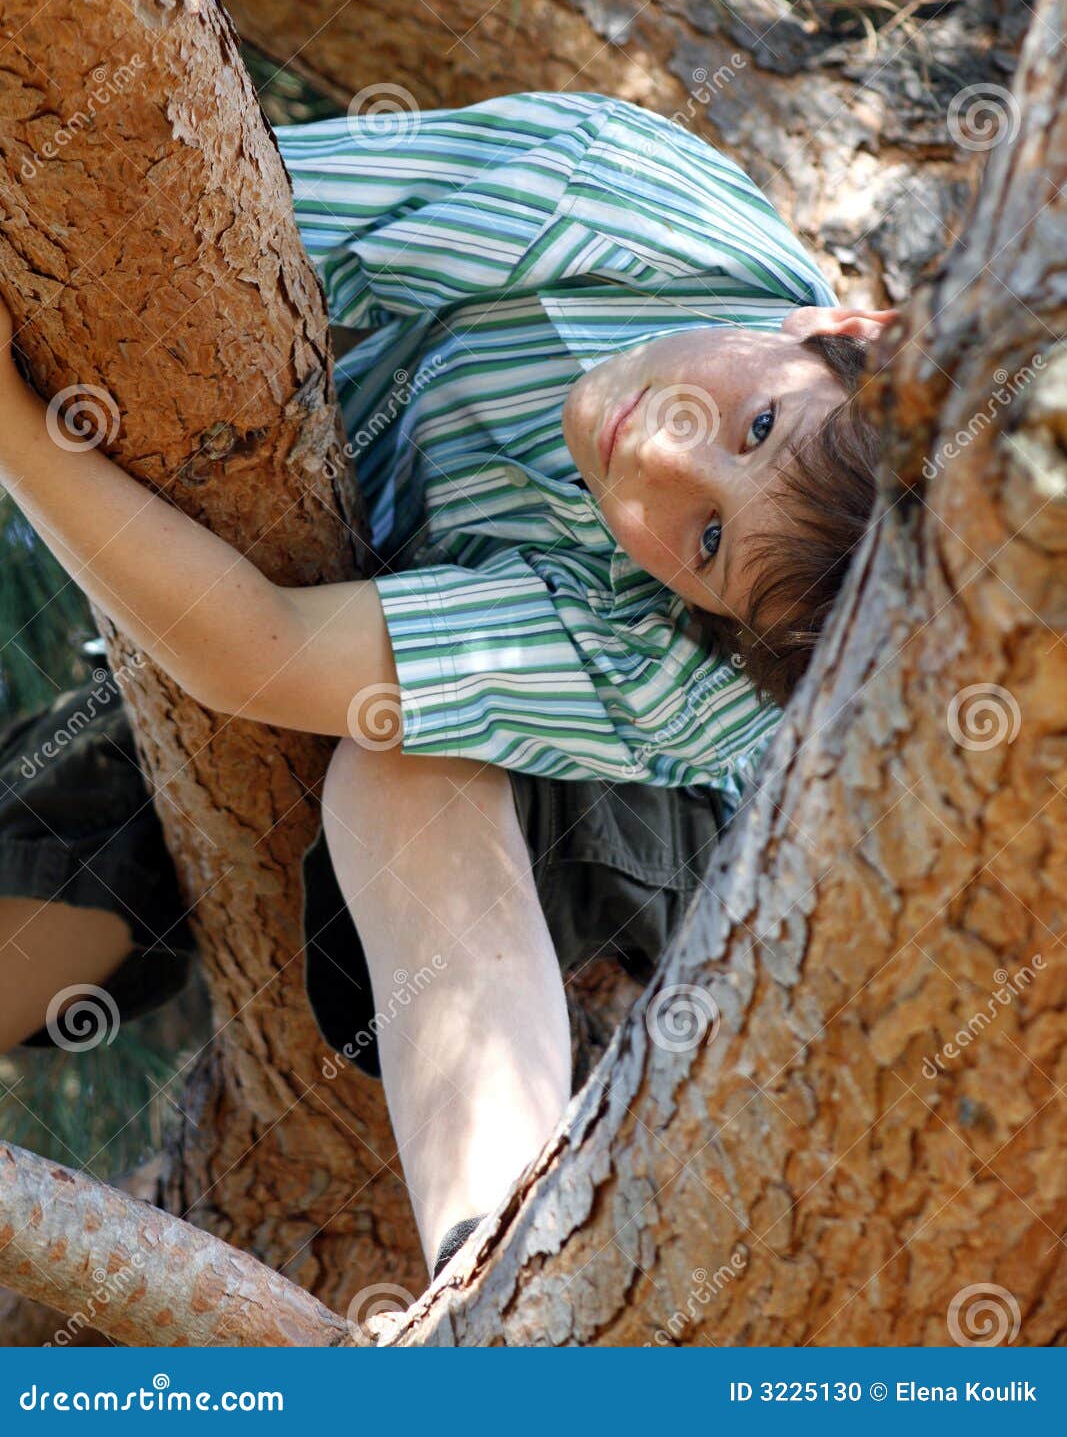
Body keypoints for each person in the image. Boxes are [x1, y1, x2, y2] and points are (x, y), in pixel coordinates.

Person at [0, 92, 895, 1288]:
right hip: (346, 599)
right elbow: (213, 230)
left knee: (407, 775)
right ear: (844, 327)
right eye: (758, 423)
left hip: (597, 784)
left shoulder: (671, 669)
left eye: (705, 540)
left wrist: (16, 431)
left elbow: (262, 646)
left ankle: (501, 1279)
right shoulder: (621, 201)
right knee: (60, 869)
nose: (662, 454)